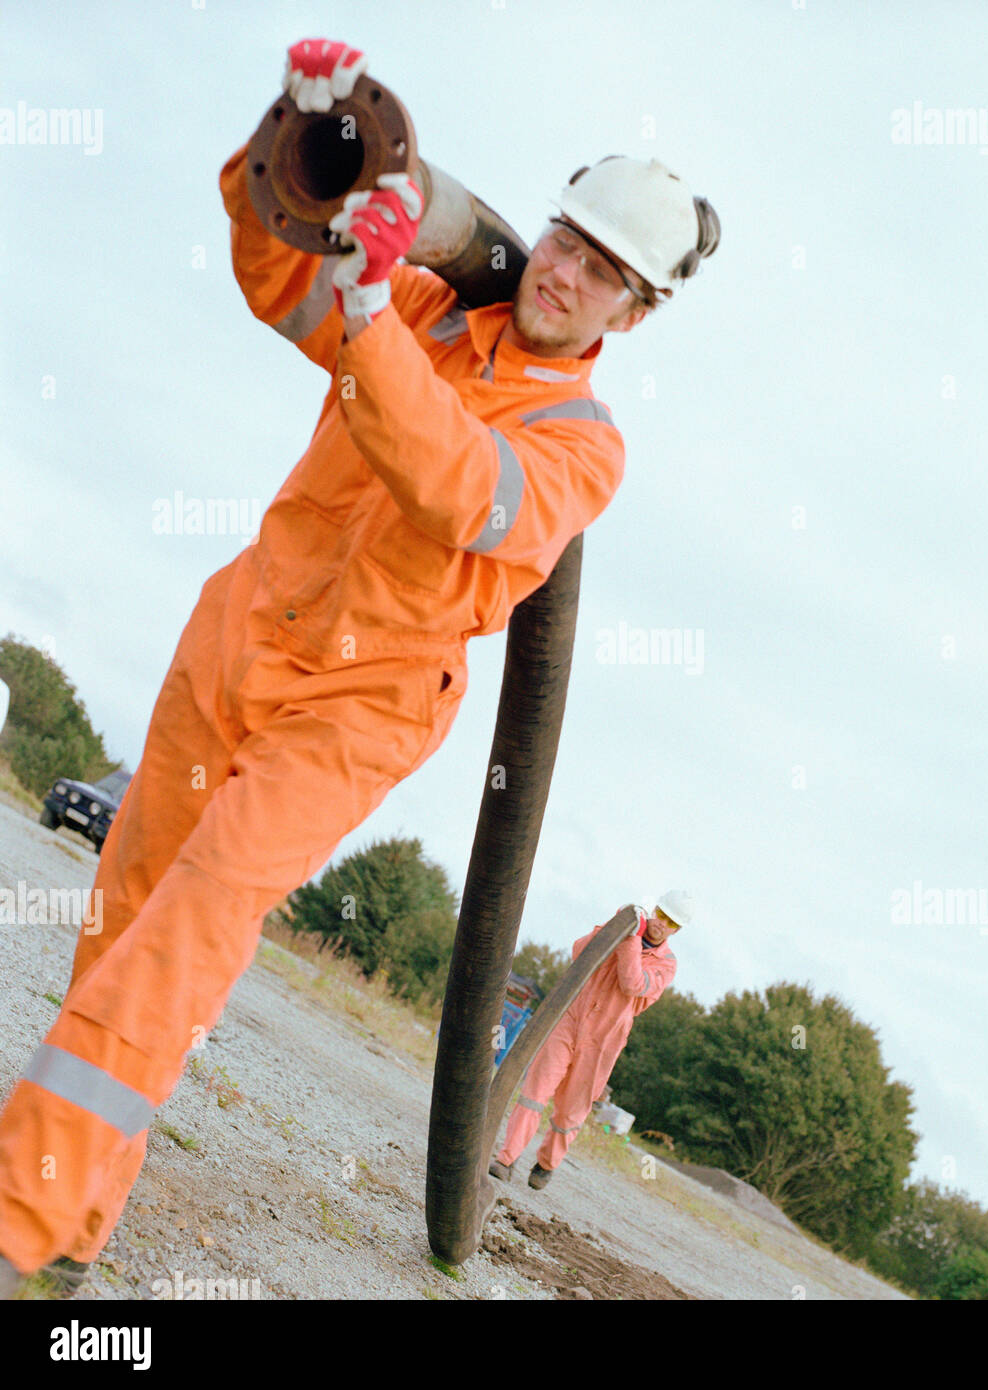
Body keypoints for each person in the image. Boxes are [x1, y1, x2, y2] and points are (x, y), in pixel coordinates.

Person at [0, 37, 717, 1296]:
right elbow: (276, 282)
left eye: (602, 272)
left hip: (358, 704)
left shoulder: (581, 445)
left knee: (190, 927)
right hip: (240, 630)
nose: (563, 273)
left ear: (636, 312)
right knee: (120, 928)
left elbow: (453, 484)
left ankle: (14, 1222)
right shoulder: (442, 306)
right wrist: (287, 143)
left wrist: (379, 307)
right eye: (564, 240)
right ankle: (69, 1222)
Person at [490, 891, 693, 1190]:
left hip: (604, 1039)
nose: (662, 924)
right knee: (535, 1091)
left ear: (677, 930)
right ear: (656, 909)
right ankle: (506, 1159)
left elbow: (632, 983)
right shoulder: (625, 929)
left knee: (571, 1110)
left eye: (671, 923)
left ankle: (547, 1164)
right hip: (569, 1019)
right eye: (661, 915)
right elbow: (579, 952)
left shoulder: (666, 965)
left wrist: (631, 940)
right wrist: (615, 925)